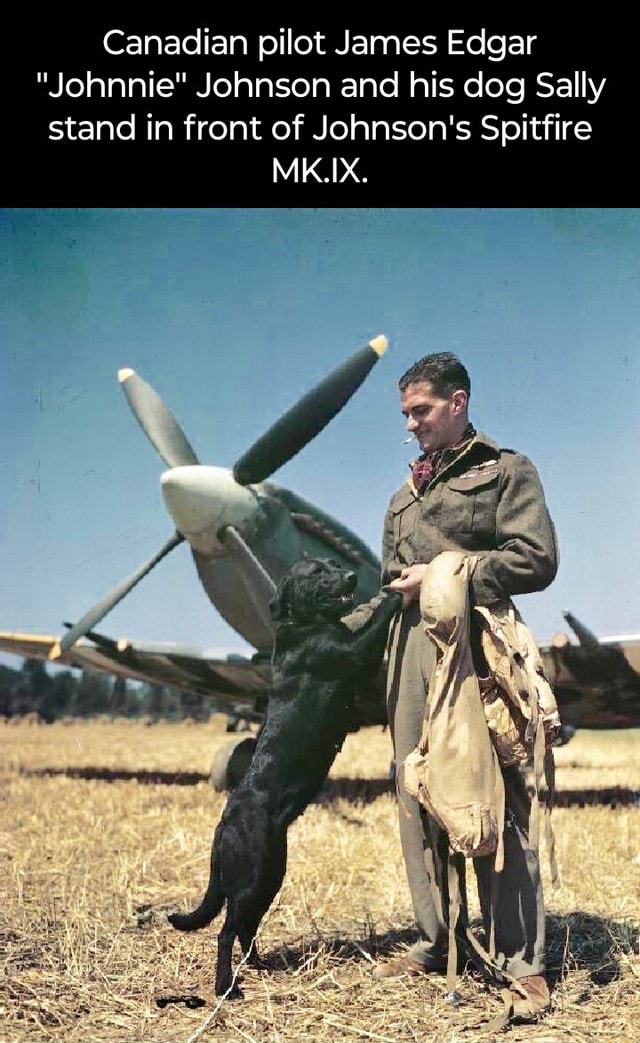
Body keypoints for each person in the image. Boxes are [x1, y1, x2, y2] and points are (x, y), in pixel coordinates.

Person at [364, 352, 558, 1018]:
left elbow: (535, 557)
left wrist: (450, 573)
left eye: (421, 411)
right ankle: (434, 934)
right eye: (405, 415)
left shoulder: (505, 470)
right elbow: (393, 577)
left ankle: (522, 962)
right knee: (417, 790)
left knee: (495, 797)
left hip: (478, 645)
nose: (411, 425)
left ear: (458, 402)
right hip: (410, 650)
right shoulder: (400, 499)